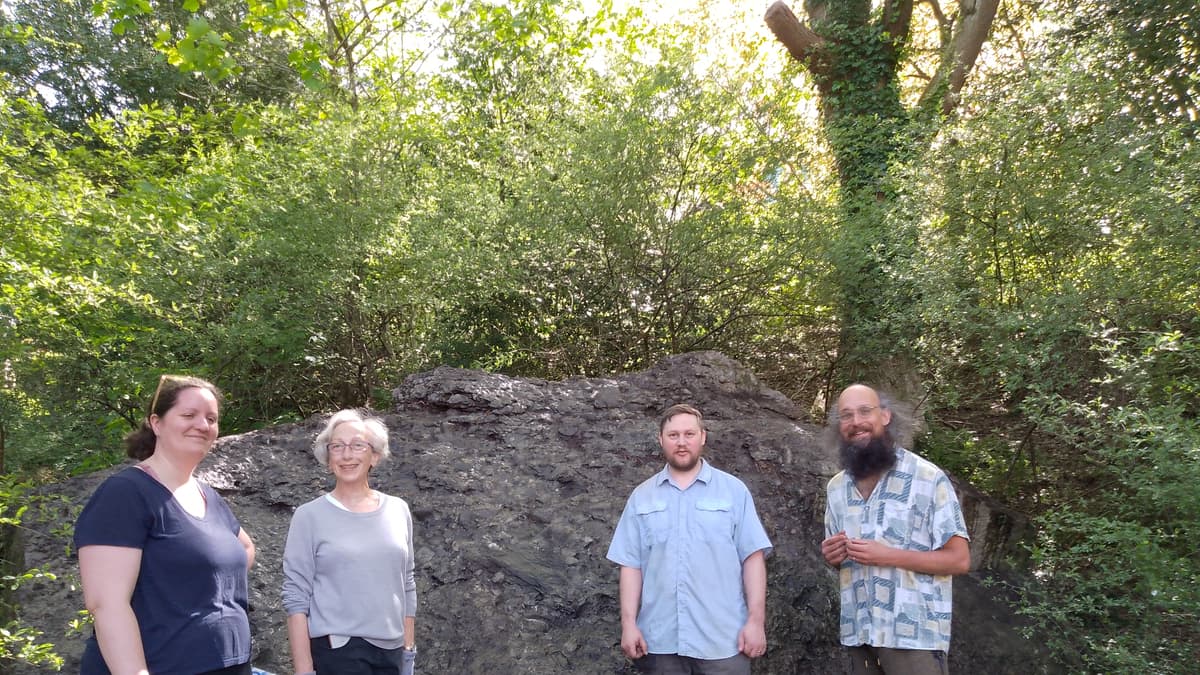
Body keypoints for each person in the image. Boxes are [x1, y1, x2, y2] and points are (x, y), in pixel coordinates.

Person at [75, 374, 256, 675]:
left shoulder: (207, 495)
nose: (203, 425)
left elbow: (245, 549)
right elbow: (106, 604)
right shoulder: (125, 493)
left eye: (211, 418)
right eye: (189, 415)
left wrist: (200, 587)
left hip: (228, 663)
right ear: (156, 423)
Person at [606, 404, 773, 675]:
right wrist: (628, 624)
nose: (681, 442)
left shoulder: (734, 492)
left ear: (703, 437)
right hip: (659, 642)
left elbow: (752, 558)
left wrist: (756, 622)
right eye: (673, 435)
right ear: (661, 440)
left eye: (689, 434)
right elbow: (630, 565)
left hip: (723, 641)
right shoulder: (642, 497)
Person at [820, 384, 971, 675]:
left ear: (885, 416)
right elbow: (840, 561)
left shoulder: (928, 478)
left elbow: (959, 559)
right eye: (846, 415)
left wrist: (888, 555)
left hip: (914, 638)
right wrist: (833, 556)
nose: (856, 422)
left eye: (865, 411)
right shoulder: (836, 487)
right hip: (860, 635)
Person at [282, 409, 418, 675]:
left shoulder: (398, 509)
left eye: (357, 445)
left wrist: (408, 652)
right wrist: (304, 670)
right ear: (328, 458)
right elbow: (296, 596)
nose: (347, 455)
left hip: (392, 652)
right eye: (337, 446)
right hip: (338, 653)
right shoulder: (309, 516)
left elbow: (407, 583)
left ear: (374, 455)